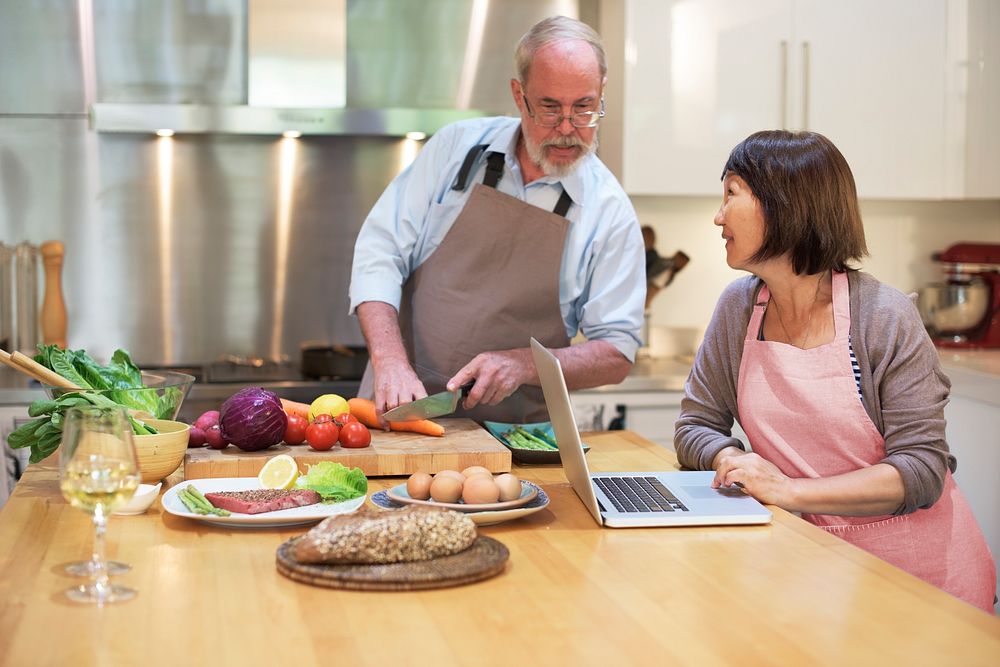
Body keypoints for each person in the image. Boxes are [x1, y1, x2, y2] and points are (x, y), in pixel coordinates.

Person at [674, 130, 996, 613]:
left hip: (919, 587)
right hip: (807, 571)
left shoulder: (883, 316)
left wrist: (787, 491)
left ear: (784, 204)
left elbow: (922, 470)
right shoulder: (739, 309)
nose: (719, 216)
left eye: (731, 194)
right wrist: (731, 462)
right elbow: (695, 426)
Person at [349, 16, 645, 423]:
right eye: (549, 107)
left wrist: (524, 364)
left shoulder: (610, 212)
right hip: (401, 413)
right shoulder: (457, 149)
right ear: (519, 95)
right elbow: (379, 252)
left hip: (517, 442)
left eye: (584, 107)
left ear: (602, 93)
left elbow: (616, 352)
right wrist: (390, 361)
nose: (567, 129)